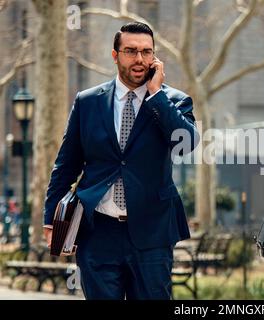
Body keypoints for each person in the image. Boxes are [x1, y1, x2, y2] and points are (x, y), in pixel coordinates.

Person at [43, 22, 198, 300]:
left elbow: (185, 143)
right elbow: (66, 164)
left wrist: (156, 95)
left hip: (151, 234)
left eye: (146, 52)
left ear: (155, 58)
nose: (139, 59)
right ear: (115, 55)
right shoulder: (88, 102)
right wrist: (51, 219)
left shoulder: (173, 101)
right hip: (98, 232)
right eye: (131, 51)